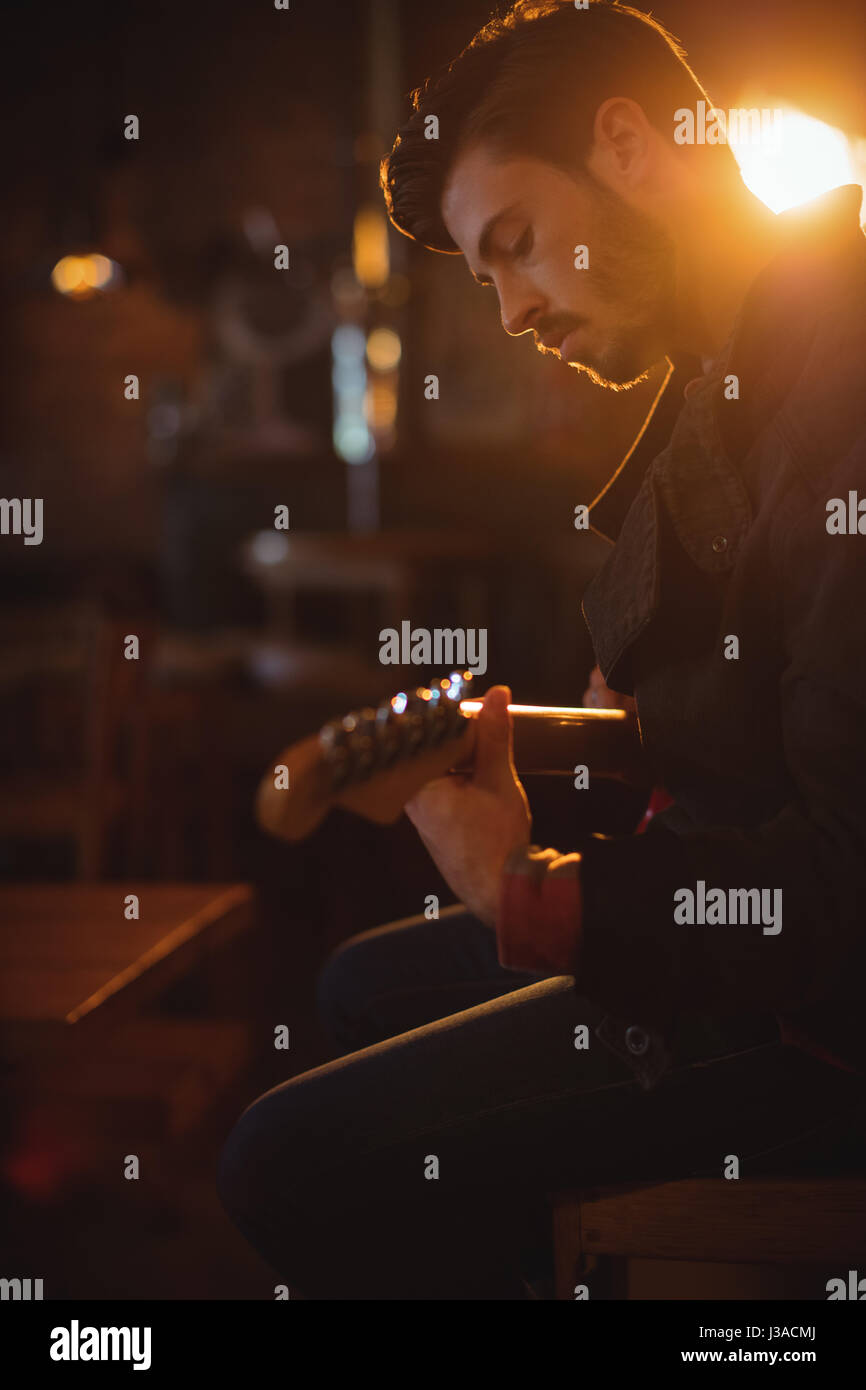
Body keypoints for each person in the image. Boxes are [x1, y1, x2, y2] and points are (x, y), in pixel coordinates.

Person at [218, 0, 866, 1298]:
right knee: (355, 981)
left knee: (283, 1157)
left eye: (514, 243)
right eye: (484, 274)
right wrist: (540, 740)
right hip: (737, 912)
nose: (511, 308)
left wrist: (535, 894)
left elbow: (838, 893)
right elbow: (730, 724)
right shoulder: (725, 369)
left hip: (819, 1015)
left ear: (629, 145)